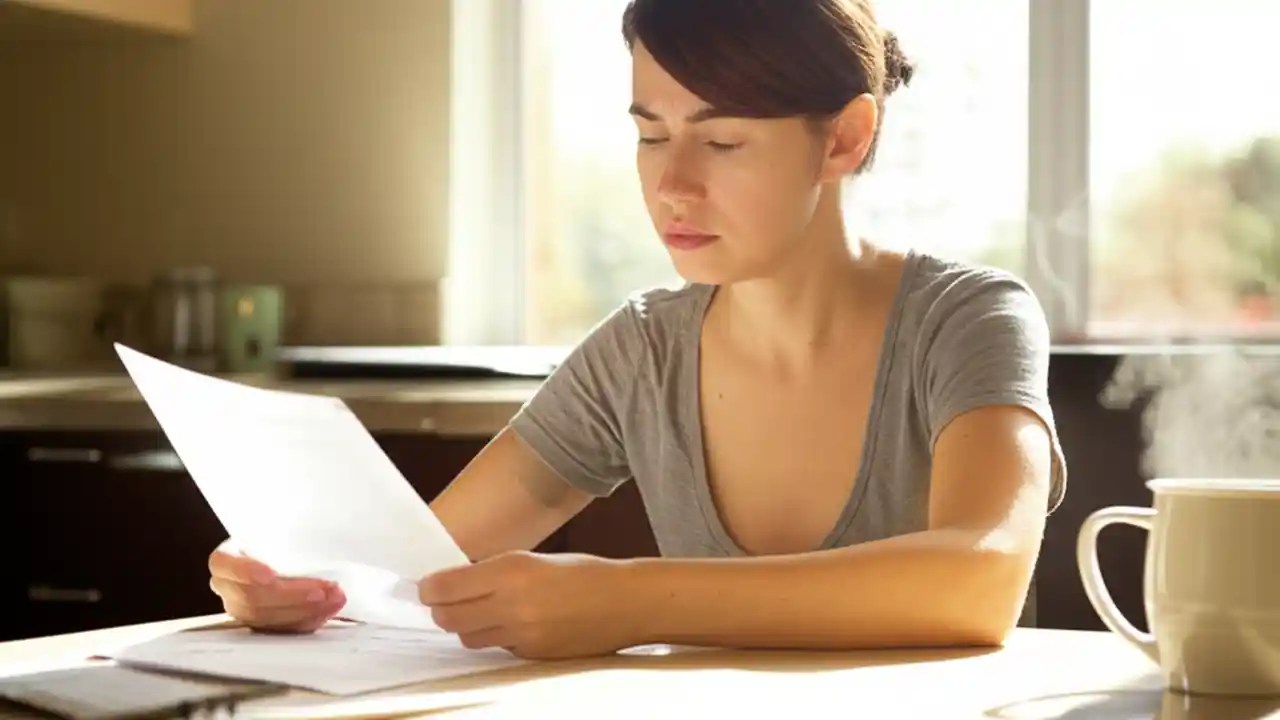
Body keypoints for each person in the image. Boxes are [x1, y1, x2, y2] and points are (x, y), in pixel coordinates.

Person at [207, 0, 1066, 660]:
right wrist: (305, 584)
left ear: (843, 137)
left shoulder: (967, 320)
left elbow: (978, 580)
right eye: (651, 135)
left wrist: (629, 602)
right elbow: (416, 566)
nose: (671, 186)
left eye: (721, 142)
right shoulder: (643, 349)